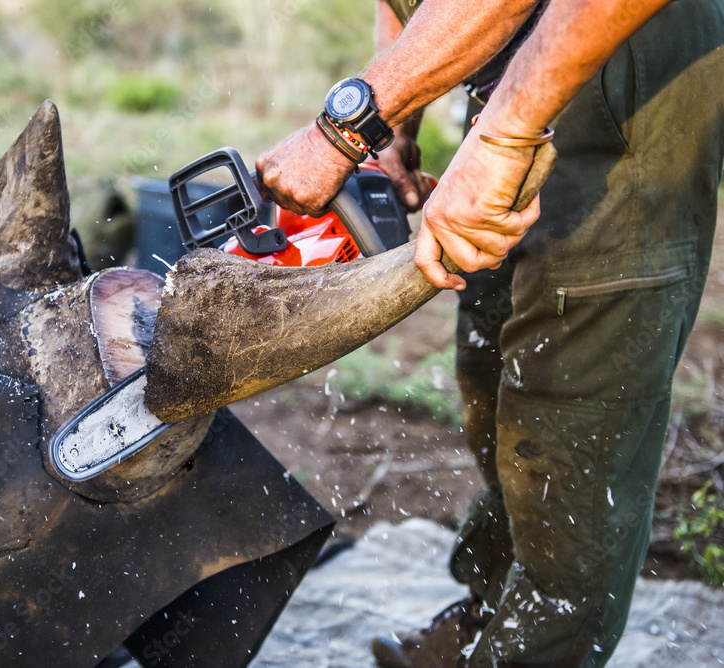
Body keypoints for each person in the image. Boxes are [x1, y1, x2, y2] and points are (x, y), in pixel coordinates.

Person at [257, 0, 724, 665]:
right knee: (492, 372)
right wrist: (389, 125)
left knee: (571, 407)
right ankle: (490, 616)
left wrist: (346, 127)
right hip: (510, 76)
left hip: (623, 54)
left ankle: (539, 646)